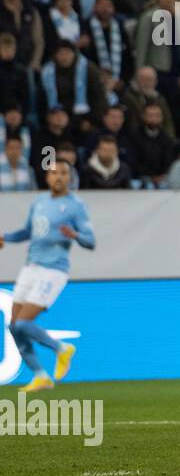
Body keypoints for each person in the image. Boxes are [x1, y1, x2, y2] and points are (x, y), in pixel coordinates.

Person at [0, 161, 95, 391]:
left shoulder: (75, 206)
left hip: (53, 270)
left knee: (24, 322)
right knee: (13, 326)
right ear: (47, 177)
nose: (59, 177)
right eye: (54, 173)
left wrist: (74, 234)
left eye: (63, 173)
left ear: (70, 177)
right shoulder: (39, 202)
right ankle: (41, 375)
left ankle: (62, 348)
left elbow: (91, 241)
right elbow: (27, 232)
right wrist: (6, 237)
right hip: (30, 267)